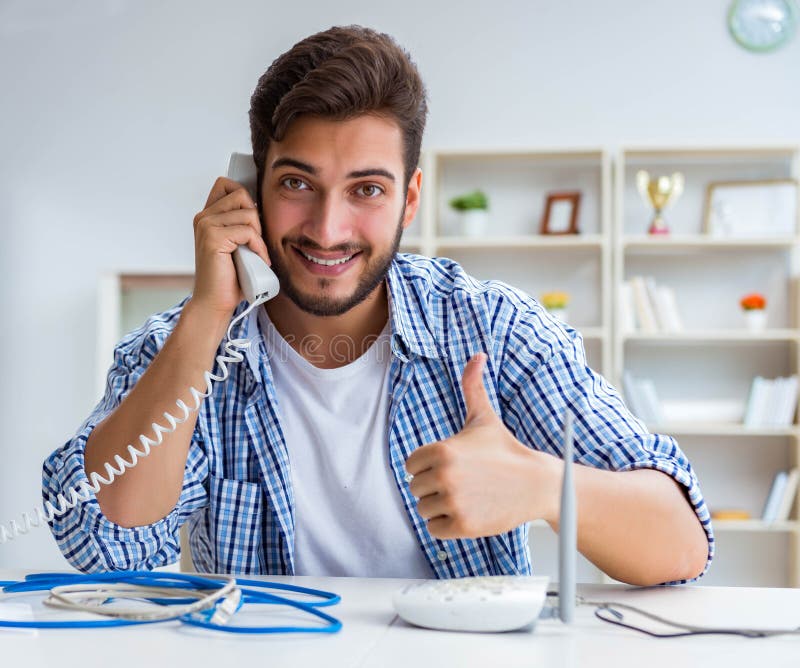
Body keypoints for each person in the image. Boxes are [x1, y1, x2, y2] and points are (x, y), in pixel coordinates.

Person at [43, 25, 713, 584]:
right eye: (298, 182)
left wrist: (542, 486)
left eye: (366, 190)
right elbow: (107, 549)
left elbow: (683, 545)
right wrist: (206, 314)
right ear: (248, 188)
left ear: (410, 201)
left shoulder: (493, 328)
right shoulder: (185, 350)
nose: (328, 228)